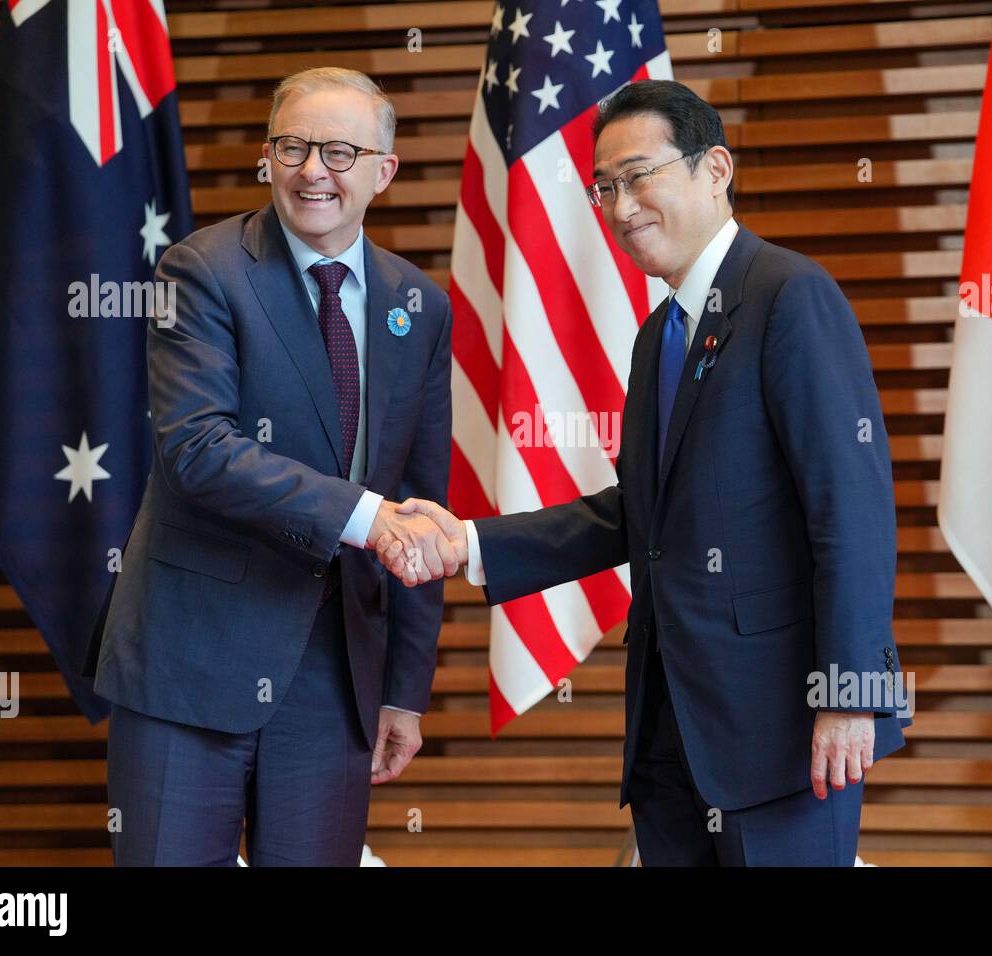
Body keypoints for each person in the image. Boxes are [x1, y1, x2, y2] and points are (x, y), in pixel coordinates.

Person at [378, 79, 911, 866]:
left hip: (786, 731)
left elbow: (853, 514)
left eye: (640, 176)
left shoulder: (791, 297)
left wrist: (850, 695)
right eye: (605, 187)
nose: (621, 207)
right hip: (672, 737)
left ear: (716, 168)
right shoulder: (659, 333)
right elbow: (639, 517)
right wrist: (468, 542)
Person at [84, 68, 458, 865]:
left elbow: (422, 504)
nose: (312, 170)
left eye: (339, 151)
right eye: (292, 147)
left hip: (335, 678)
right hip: (190, 662)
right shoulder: (202, 270)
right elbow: (197, 448)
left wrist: (403, 689)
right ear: (267, 156)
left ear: (383, 171)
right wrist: (367, 517)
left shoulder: (418, 304)